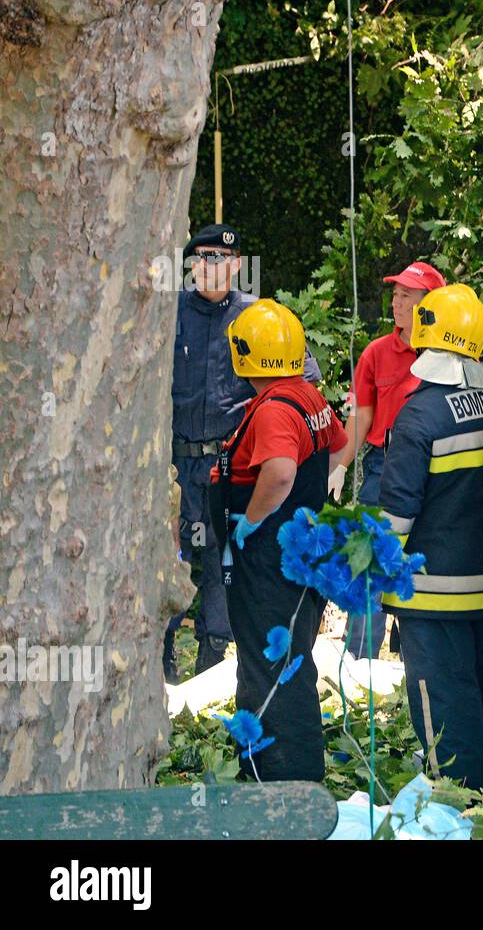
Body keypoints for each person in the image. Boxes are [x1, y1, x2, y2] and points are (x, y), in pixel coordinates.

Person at [377, 283, 483, 794]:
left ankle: (455, 812)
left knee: (446, 707)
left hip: (433, 595)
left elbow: (396, 515)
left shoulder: (421, 413)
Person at [169, 223, 321, 680]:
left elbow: (300, 381)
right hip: (174, 466)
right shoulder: (170, 312)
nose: (211, 266)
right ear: (193, 264)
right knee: (167, 556)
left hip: (230, 465)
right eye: (203, 258)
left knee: (223, 559)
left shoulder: (260, 319)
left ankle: (211, 669)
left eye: (221, 258)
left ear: (237, 266)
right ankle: (159, 662)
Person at [208, 300, 347, 782]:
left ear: (246, 353)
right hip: (296, 549)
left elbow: (281, 473)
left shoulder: (274, 410)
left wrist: (250, 520)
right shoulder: (309, 398)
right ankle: (262, 771)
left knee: (276, 664)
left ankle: (288, 785)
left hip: (270, 559)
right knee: (271, 658)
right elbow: (340, 447)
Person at [334, 260, 447, 658]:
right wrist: (343, 464)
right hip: (383, 467)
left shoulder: (447, 354)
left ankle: (417, 664)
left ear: (429, 305)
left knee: (424, 561)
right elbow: (361, 414)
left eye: (407, 296)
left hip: (437, 469)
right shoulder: (376, 353)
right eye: (395, 295)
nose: (397, 303)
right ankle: (359, 665)